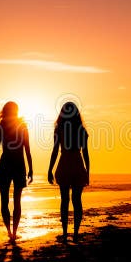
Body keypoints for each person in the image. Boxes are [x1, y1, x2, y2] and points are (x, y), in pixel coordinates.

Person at [0, 101, 33, 242]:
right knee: (17, 201)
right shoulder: (22, 126)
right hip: (18, 163)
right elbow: (27, 149)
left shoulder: (1, 126)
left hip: (6, 163)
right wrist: (31, 168)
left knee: (4, 201)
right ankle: (13, 232)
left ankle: (9, 232)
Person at [47, 102, 89, 242]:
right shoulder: (81, 130)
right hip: (77, 164)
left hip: (64, 163)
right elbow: (85, 153)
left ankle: (65, 233)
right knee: (77, 201)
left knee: (65, 200)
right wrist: (87, 171)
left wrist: (49, 169)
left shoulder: (59, 130)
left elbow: (54, 151)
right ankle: (76, 234)